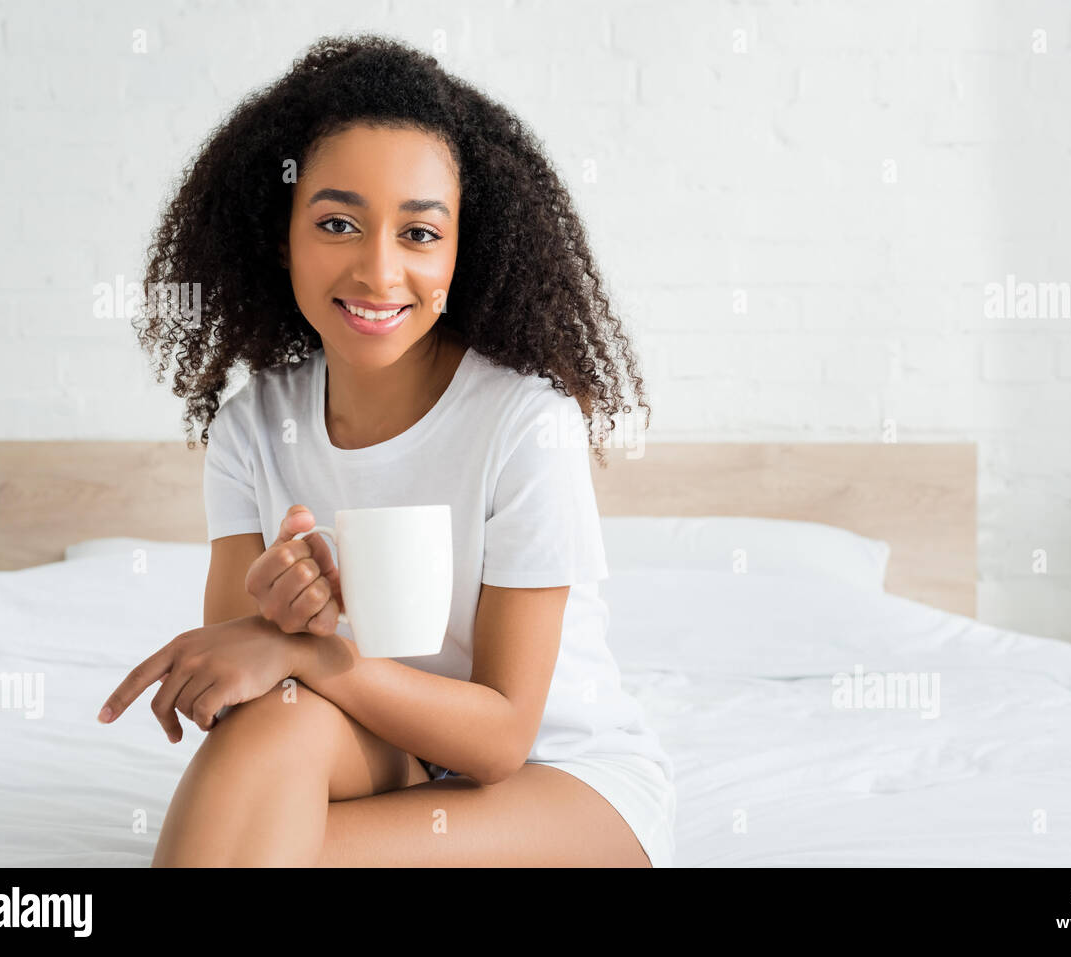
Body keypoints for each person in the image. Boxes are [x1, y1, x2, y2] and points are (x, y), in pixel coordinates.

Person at [97, 33, 676, 868]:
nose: (377, 270)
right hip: (387, 752)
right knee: (268, 733)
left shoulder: (525, 424)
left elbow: (502, 736)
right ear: (280, 233)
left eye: (418, 234)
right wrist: (276, 626)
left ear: (459, 252)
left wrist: (312, 651)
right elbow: (237, 697)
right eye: (338, 223)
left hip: (557, 776)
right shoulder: (252, 429)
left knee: (274, 844)